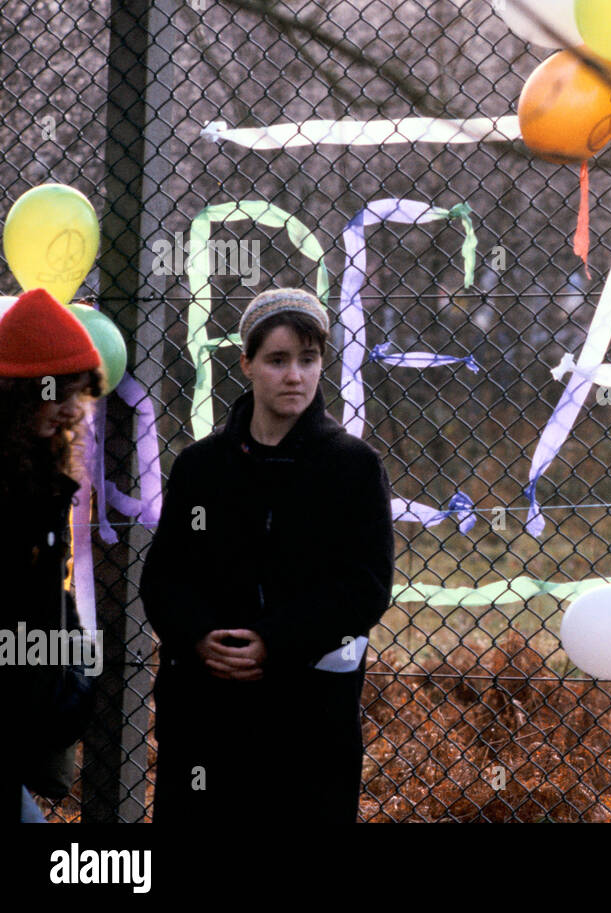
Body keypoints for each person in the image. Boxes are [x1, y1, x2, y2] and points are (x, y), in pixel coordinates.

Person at [141, 287, 394, 823]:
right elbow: (165, 576)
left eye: (308, 360)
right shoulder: (201, 467)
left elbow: (365, 585)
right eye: (277, 360)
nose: (295, 376)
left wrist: (275, 641)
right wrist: (199, 637)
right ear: (247, 363)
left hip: (307, 712)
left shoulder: (352, 467)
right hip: (206, 709)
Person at [0, 289, 103, 822]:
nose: (69, 407)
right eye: (56, 390)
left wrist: (71, 687)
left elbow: (40, 603)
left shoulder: (43, 479)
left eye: (78, 392)